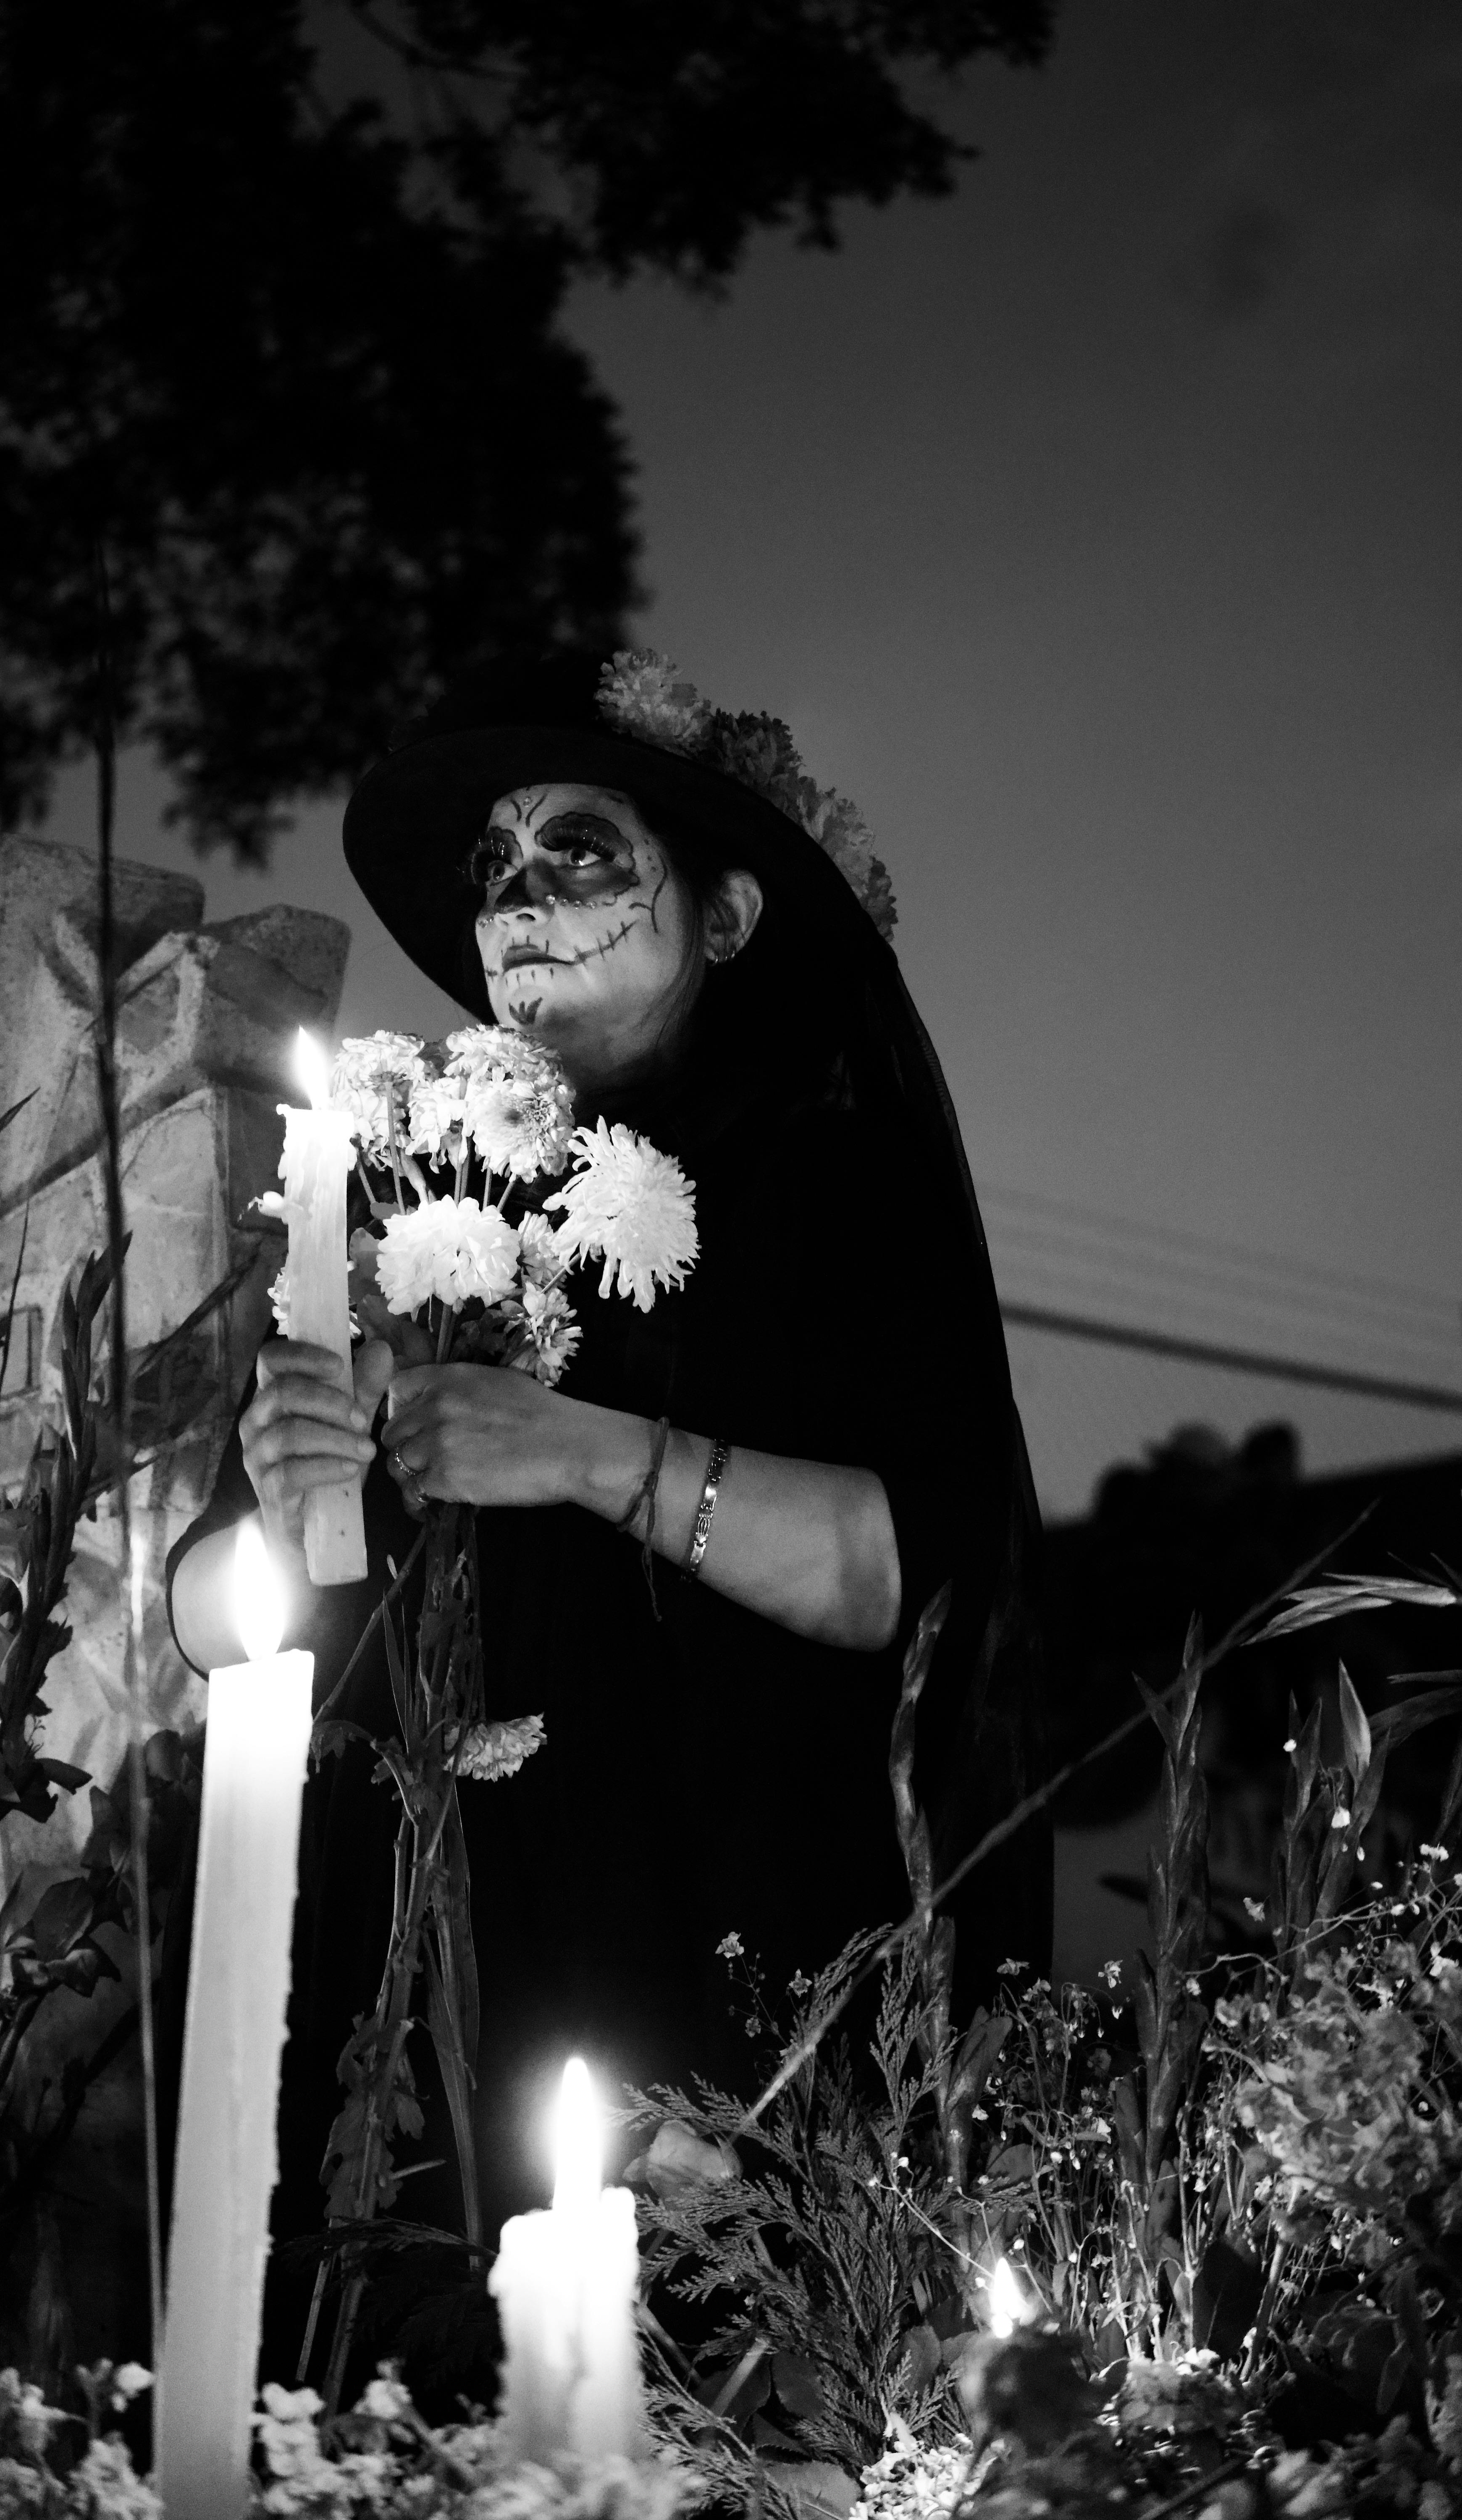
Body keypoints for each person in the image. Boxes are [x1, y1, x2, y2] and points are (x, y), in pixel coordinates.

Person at [165, 649, 1051, 2286]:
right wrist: (291, 1491)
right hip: (439, 2015)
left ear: (725, 915)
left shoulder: (832, 1187)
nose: (518, 901)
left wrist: (581, 1453)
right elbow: (228, 1630)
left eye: (578, 851)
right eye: (493, 867)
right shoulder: (418, 1208)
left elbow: (906, 1572)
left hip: (736, 1980)